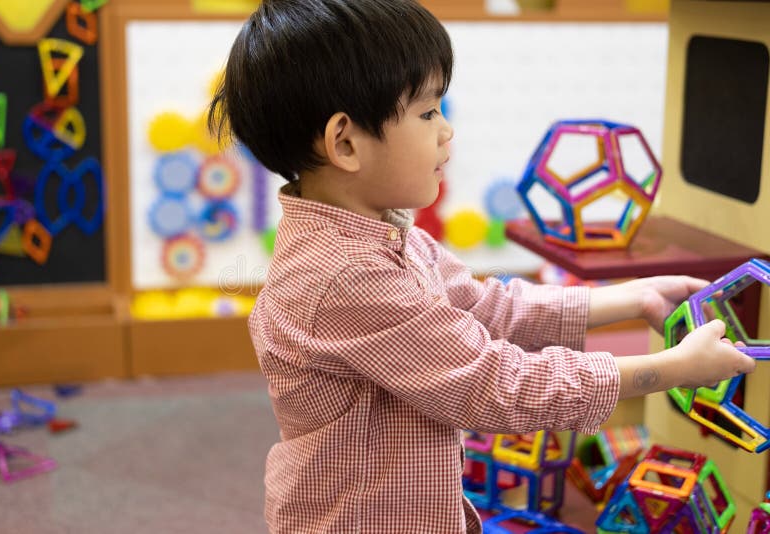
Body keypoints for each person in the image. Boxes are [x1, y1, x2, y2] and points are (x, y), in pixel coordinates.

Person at [209, 1, 756, 532]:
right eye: (427, 113)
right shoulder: (346, 277)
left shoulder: (388, 234)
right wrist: (670, 369)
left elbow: (486, 306)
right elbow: (496, 386)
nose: (447, 131)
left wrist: (631, 298)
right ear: (346, 143)